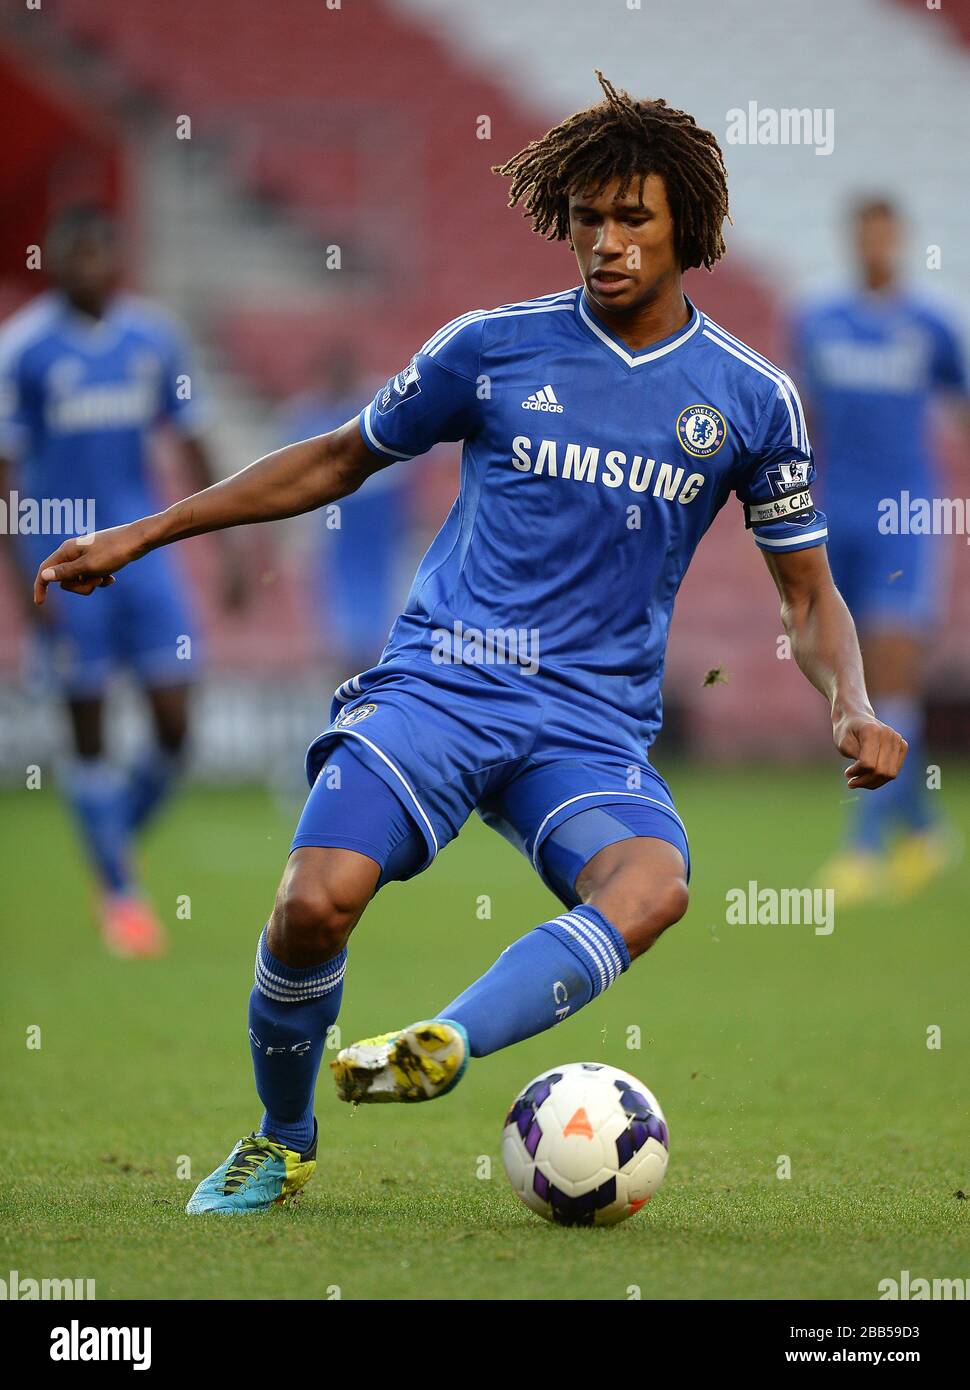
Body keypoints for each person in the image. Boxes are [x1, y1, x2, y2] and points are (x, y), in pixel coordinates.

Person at [34, 77, 905, 1218]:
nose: (606, 241)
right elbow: (337, 458)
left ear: (686, 225)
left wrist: (848, 696)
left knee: (654, 885)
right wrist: (146, 532)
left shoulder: (749, 399)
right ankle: (283, 1137)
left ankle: (450, 1035)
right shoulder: (490, 349)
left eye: (633, 218)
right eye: (588, 217)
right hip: (442, 685)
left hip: (588, 724)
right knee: (311, 905)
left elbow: (806, 594)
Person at [0, 205, 242, 957]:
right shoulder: (26, 350)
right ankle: (121, 897)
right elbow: (7, 478)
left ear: (118, 259)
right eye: (75, 256)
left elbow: (193, 438)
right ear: (59, 263)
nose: (89, 268)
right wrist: (22, 586)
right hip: (64, 562)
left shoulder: (152, 338)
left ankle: (114, 840)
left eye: (101, 254)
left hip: (144, 557)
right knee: (91, 730)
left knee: (176, 725)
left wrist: (230, 547)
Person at [793, 198, 969, 904]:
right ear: (852, 240)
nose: (875, 245)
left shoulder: (931, 325)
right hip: (837, 514)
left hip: (906, 515)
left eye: (886, 234)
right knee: (853, 683)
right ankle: (925, 832)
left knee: (894, 668)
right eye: (864, 233)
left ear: (900, 241)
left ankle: (863, 849)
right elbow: (800, 419)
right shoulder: (816, 321)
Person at [278, 350, 409, 674]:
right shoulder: (306, 419)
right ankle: (344, 702)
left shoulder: (379, 409)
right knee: (340, 639)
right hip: (335, 545)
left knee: (381, 637)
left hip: (379, 544)